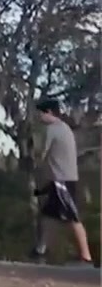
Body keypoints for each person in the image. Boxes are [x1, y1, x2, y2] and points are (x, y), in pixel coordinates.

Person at [29, 98, 95, 267]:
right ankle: (40, 250)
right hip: (62, 179)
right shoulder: (65, 128)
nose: (39, 117)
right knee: (48, 215)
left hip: (62, 181)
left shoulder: (52, 129)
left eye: (41, 113)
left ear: (49, 112)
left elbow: (41, 154)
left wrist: (32, 157)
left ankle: (86, 256)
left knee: (73, 218)